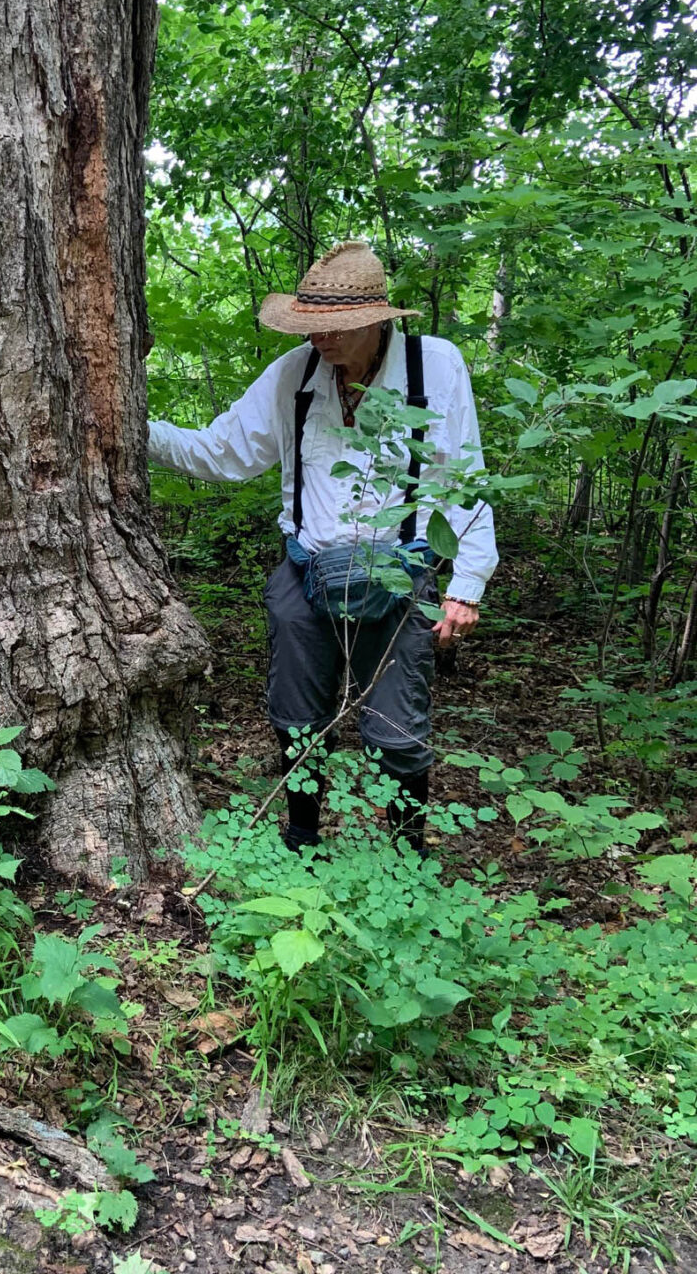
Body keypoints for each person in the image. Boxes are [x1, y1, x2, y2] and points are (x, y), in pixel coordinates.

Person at [147, 240, 497, 854]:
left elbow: (463, 474)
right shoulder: (295, 373)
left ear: (375, 320)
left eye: (337, 326)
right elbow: (224, 451)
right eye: (311, 326)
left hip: (400, 576)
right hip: (305, 571)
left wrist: (466, 585)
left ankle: (408, 857)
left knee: (397, 729)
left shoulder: (434, 367)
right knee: (296, 718)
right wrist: (134, 428)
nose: (321, 338)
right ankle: (302, 841)